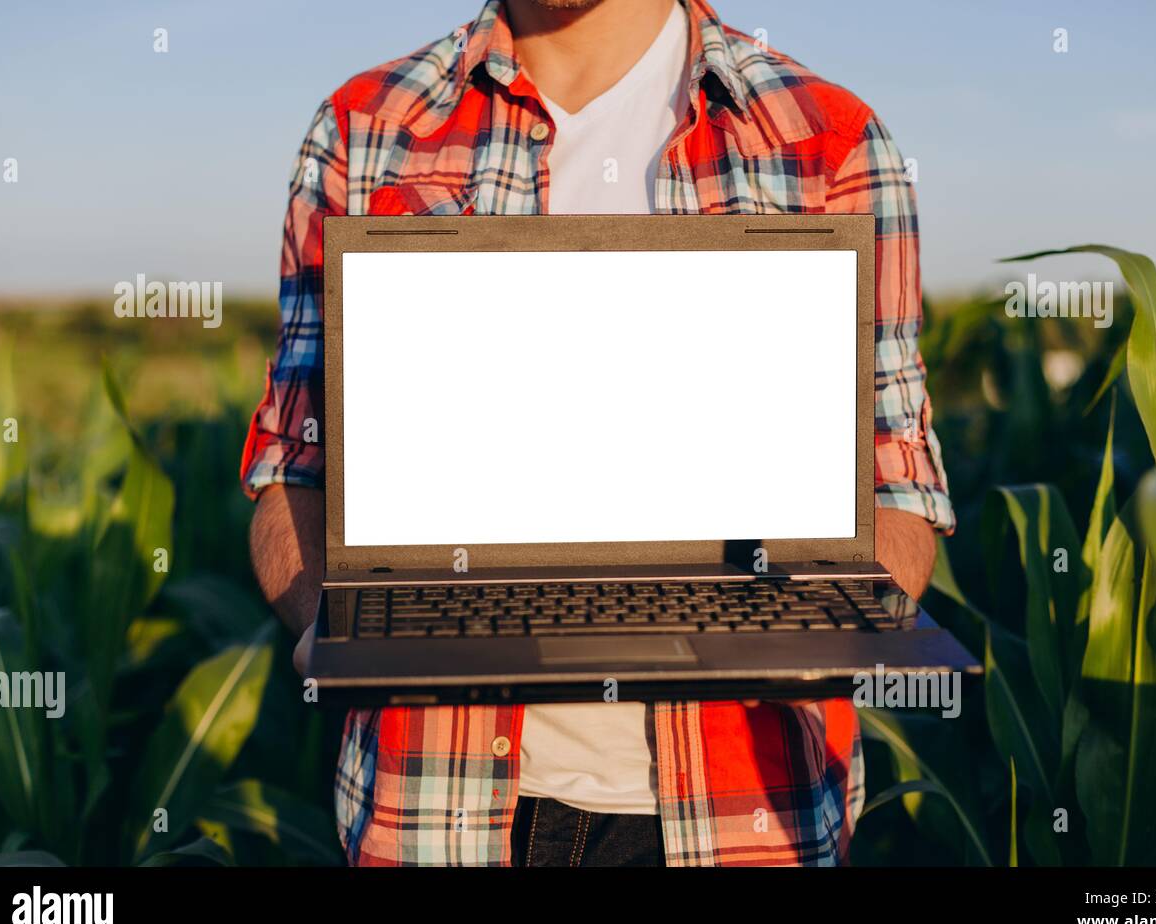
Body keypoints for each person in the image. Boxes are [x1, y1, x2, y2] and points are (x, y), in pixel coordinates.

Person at [242, 0, 955, 866]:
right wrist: (347, 625)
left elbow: (896, 489)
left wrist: (797, 615)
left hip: (750, 826)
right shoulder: (364, 129)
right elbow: (294, 471)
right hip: (434, 821)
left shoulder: (830, 141)